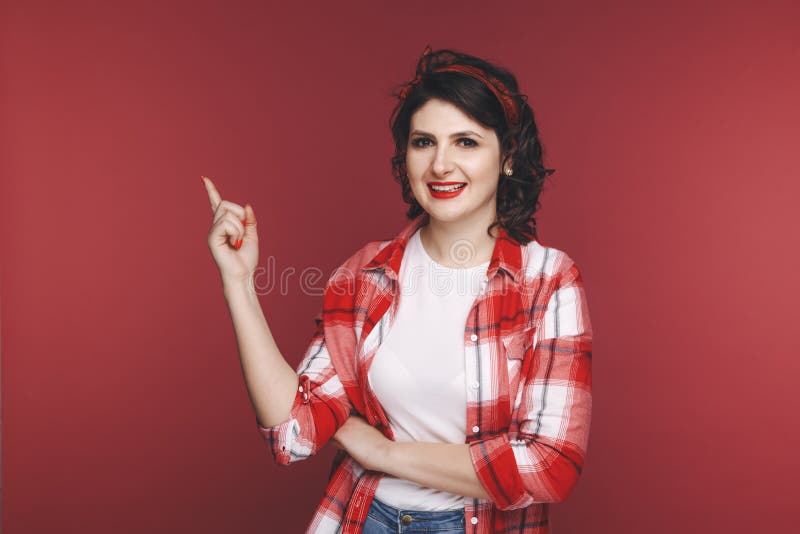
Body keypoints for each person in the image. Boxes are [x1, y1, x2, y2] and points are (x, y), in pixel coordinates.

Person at [202, 45, 593, 534]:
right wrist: (238, 282)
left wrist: (385, 452)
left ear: (507, 156)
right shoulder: (365, 274)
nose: (441, 165)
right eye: (424, 141)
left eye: (466, 142)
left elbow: (550, 467)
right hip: (367, 518)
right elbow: (292, 434)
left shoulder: (548, 280)